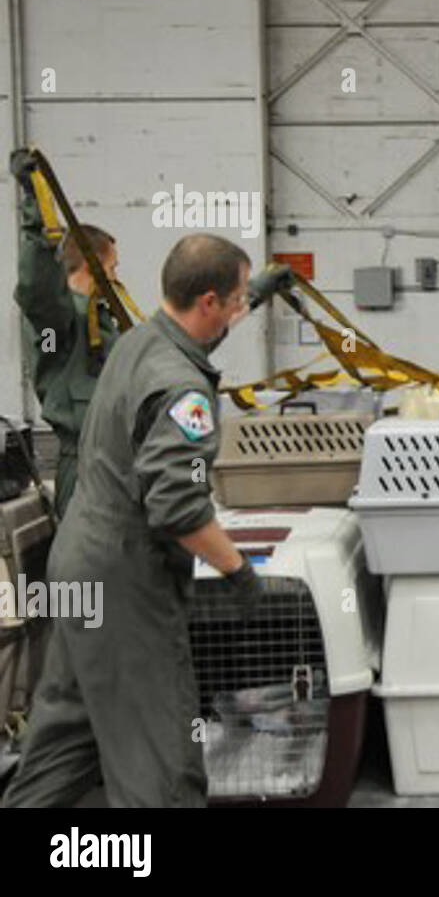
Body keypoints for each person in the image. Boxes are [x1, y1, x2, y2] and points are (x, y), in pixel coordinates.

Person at [2, 234, 264, 808]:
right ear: (210, 302)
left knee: (66, 739)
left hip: (77, 568)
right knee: (162, 766)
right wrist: (239, 570)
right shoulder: (182, 388)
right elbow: (178, 508)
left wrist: (254, 291)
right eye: (239, 298)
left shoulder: (137, 342)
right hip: (126, 586)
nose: (242, 308)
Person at [11, 148, 124, 517]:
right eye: (113, 267)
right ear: (94, 267)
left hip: (115, 465)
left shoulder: (99, 318)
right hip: (87, 471)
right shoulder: (58, 320)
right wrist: (36, 206)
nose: (116, 278)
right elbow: (38, 288)